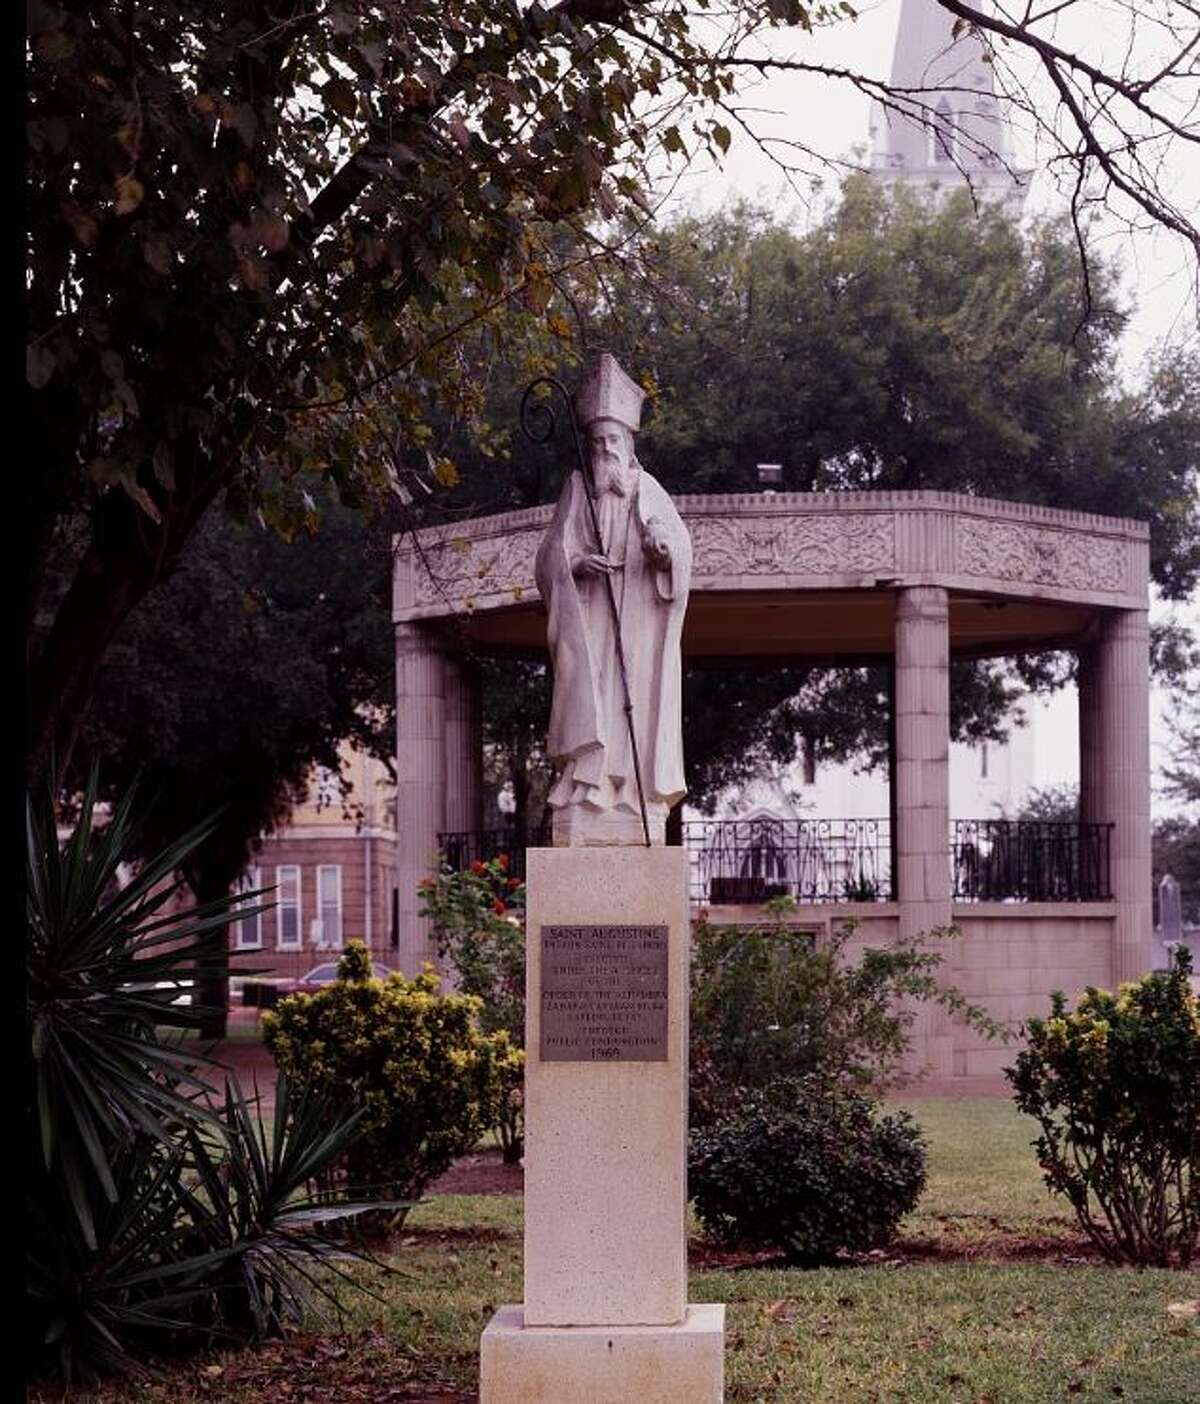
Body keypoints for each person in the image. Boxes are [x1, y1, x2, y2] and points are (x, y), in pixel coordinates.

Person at [534, 354, 692, 845]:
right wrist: (576, 565)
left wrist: (661, 550)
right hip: (591, 621)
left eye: (613, 442)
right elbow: (548, 558)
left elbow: (676, 544)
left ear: (628, 446)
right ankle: (588, 787)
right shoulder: (577, 489)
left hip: (637, 621)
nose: (605, 450)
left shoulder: (649, 489)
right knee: (593, 697)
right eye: (598, 443)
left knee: (633, 701)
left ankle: (629, 793)